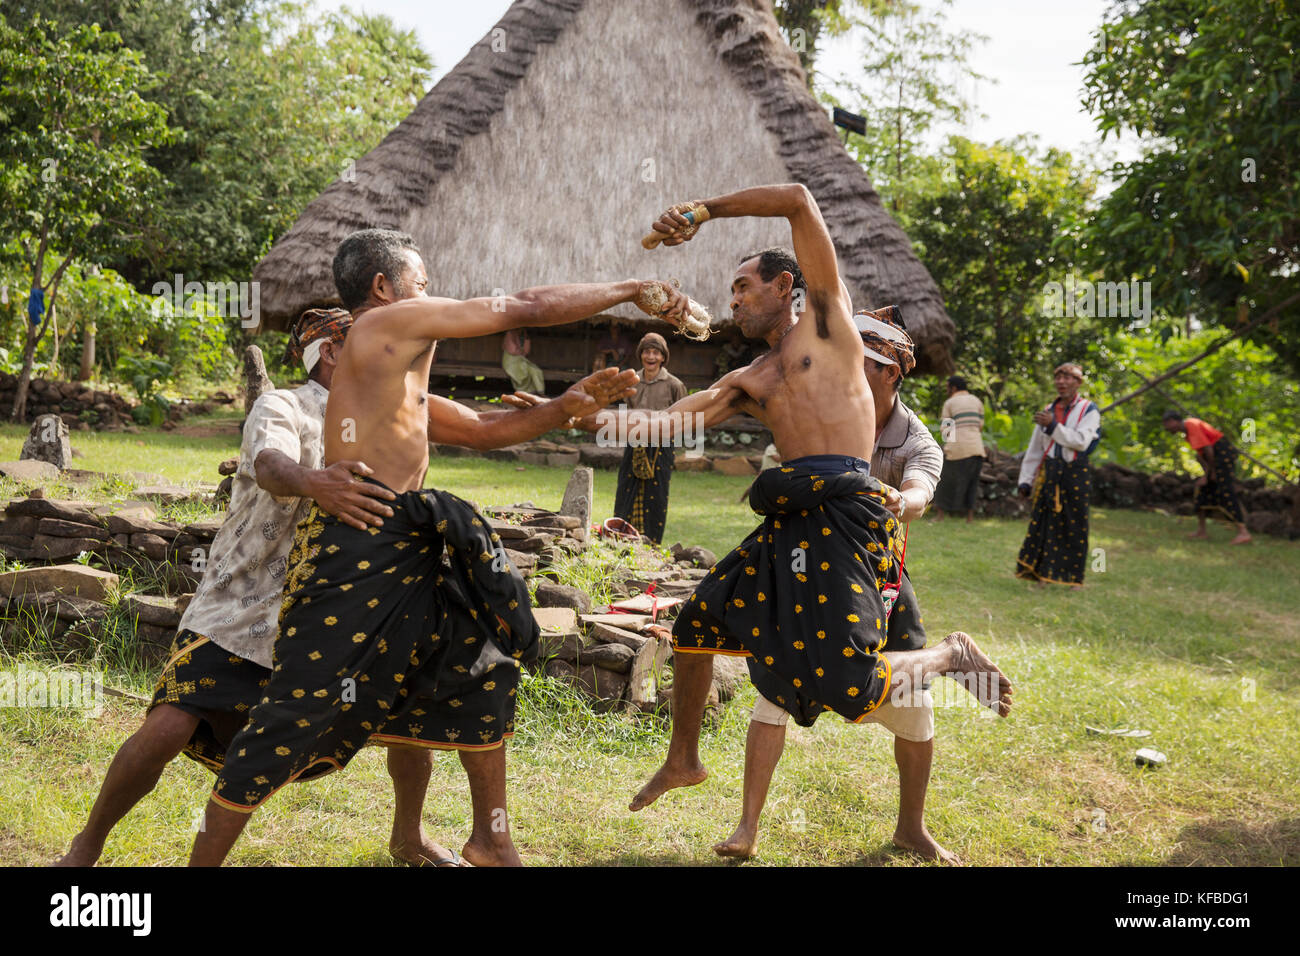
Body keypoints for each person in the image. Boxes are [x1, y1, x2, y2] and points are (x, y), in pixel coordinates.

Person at [55, 307, 638, 868]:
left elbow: (487, 426)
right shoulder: (282, 404)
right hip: (246, 604)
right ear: (335, 350)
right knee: (168, 726)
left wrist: (564, 405)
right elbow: (268, 463)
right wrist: (317, 483)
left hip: (356, 599)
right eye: (375, 343)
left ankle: (408, 837)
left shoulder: (396, 405)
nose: (394, 356)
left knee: (414, 716)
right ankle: (86, 847)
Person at [186, 228, 688, 866]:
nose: (430, 293)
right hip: (356, 548)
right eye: (421, 282)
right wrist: (630, 290)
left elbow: (484, 429)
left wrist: (564, 406)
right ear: (383, 287)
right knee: (295, 712)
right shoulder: (383, 326)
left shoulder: (394, 365)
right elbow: (520, 306)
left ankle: (491, 839)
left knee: (484, 669)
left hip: (408, 547)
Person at [593, 185, 1012, 862]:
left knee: (849, 684)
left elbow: (796, 199)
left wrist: (701, 213)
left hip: (848, 523)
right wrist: (573, 413)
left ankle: (949, 655)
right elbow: (667, 424)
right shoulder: (751, 378)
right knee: (695, 625)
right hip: (790, 524)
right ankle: (684, 759)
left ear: (786, 285)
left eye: (742, 288)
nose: (732, 303)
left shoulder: (830, 324)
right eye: (728, 294)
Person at [709, 304, 957, 861]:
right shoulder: (818, 403)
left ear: (890, 373)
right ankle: (746, 827)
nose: (837, 369)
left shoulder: (915, 438)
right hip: (802, 570)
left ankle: (910, 827)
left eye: (858, 362)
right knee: (774, 688)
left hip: (878, 582)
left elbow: (922, 486)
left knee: (913, 704)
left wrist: (902, 500)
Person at [1014, 363, 1101, 589]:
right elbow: (1035, 449)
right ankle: (1043, 576)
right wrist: (1025, 480)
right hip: (1050, 473)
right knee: (1046, 523)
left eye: (1068, 377)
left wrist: (1053, 426)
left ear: (1078, 382)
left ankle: (1074, 579)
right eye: (1058, 377)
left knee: (1075, 524)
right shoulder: (1048, 410)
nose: (1062, 382)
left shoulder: (1088, 410)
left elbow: (1081, 441)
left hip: (1075, 474)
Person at [613, 331, 688, 543]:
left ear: (663, 357)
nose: (651, 357)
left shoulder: (674, 385)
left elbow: (684, 419)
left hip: (662, 447)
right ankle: (621, 539)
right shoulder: (630, 382)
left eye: (656, 353)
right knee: (627, 490)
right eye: (647, 352)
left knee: (656, 495)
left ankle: (652, 542)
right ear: (641, 355)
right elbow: (622, 413)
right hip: (634, 444)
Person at [1161, 410, 1251, 544]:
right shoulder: (1188, 432)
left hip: (1222, 456)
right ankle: (1201, 531)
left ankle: (1243, 532)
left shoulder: (1192, 425)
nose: (1166, 428)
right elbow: (1200, 455)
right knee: (1202, 490)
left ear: (1174, 421)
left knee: (1226, 492)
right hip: (1214, 461)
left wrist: (1213, 472)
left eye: (1167, 424)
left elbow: (1209, 449)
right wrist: (1206, 475)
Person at [932, 375, 986, 523]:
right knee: (972, 484)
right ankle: (969, 518)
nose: (946, 390)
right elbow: (980, 426)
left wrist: (946, 445)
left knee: (943, 482)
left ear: (954, 388)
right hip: (976, 448)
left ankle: (940, 516)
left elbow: (946, 429)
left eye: (947, 387)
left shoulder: (950, 402)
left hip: (956, 449)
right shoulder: (977, 400)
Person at [502, 326, 545, 394]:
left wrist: (526, 336)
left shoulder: (521, 335)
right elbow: (513, 351)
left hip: (520, 361)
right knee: (528, 371)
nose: (521, 330)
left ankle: (539, 392)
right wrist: (521, 351)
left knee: (536, 370)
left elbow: (526, 351)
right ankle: (534, 393)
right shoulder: (509, 334)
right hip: (511, 363)